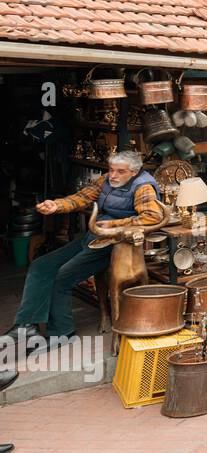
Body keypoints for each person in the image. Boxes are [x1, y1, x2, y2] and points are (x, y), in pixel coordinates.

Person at [4, 150, 164, 350]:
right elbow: (82, 197)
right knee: (41, 265)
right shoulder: (107, 179)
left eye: (120, 171)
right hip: (93, 236)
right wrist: (56, 205)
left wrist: (115, 224)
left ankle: (61, 333)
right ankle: (26, 325)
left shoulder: (143, 187)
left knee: (62, 277)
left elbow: (153, 216)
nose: (113, 175)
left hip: (115, 245)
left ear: (134, 172)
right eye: (111, 170)